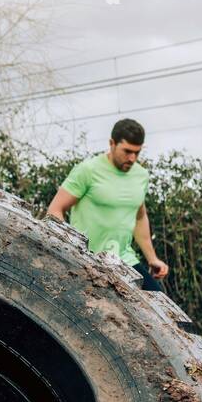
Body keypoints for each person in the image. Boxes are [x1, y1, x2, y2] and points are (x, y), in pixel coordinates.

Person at [45, 118, 169, 291]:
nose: (132, 158)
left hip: (124, 261)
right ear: (112, 143)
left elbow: (139, 217)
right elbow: (55, 209)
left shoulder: (141, 176)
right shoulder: (88, 170)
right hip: (88, 261)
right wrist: (71, 250)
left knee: (158, 301)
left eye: (137, 152)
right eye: (127, 151)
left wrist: (152, 258)